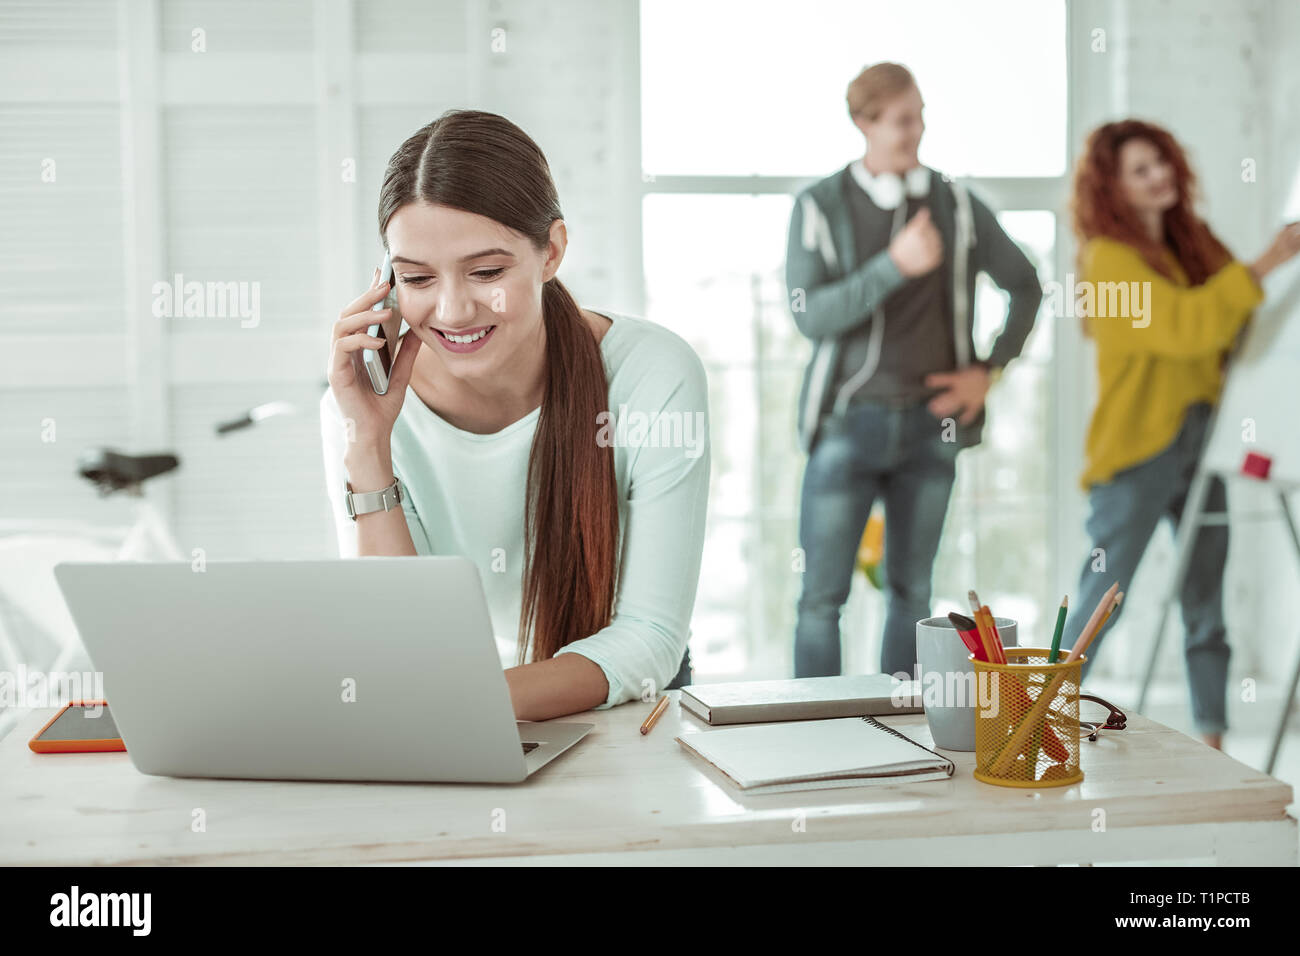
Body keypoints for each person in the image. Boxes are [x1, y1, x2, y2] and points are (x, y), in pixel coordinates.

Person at [320, 109, 711, 722]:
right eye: (417, 278)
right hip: (460, 706)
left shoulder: (654, 375)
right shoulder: (361, 407)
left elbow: (651, 638)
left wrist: (466, 704)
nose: (452, 310)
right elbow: (402, 646)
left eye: (487, 272)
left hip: (622, 698)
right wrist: (367, 444)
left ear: (551, 251)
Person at [785, 62, 1042, 679]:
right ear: (863, 123)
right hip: (849, 426)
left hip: (934, 427)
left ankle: (900, 729)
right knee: (821, 600)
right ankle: (813, 736)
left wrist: (988, 371)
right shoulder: (820, 206)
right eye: (902, 120)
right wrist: (893, 266)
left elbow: (1027, 287)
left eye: (920, 115)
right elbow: (809, 315)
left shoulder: (956, 203)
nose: (916, 130)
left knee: (913, 595)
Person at [1063, 119, 1300, 750]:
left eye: (1162, 161)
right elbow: (1187, 328)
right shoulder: (1106, 259)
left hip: (1203, 440)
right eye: (1140, 169)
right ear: (1112, 187)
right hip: (1137, 451)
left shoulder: (1190, 242)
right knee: (1100, 602)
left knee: (1205, 603)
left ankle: (1214, 744)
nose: (1159, 176)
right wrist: (1269, 259)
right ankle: (1035, 728)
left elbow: (1240, 317)